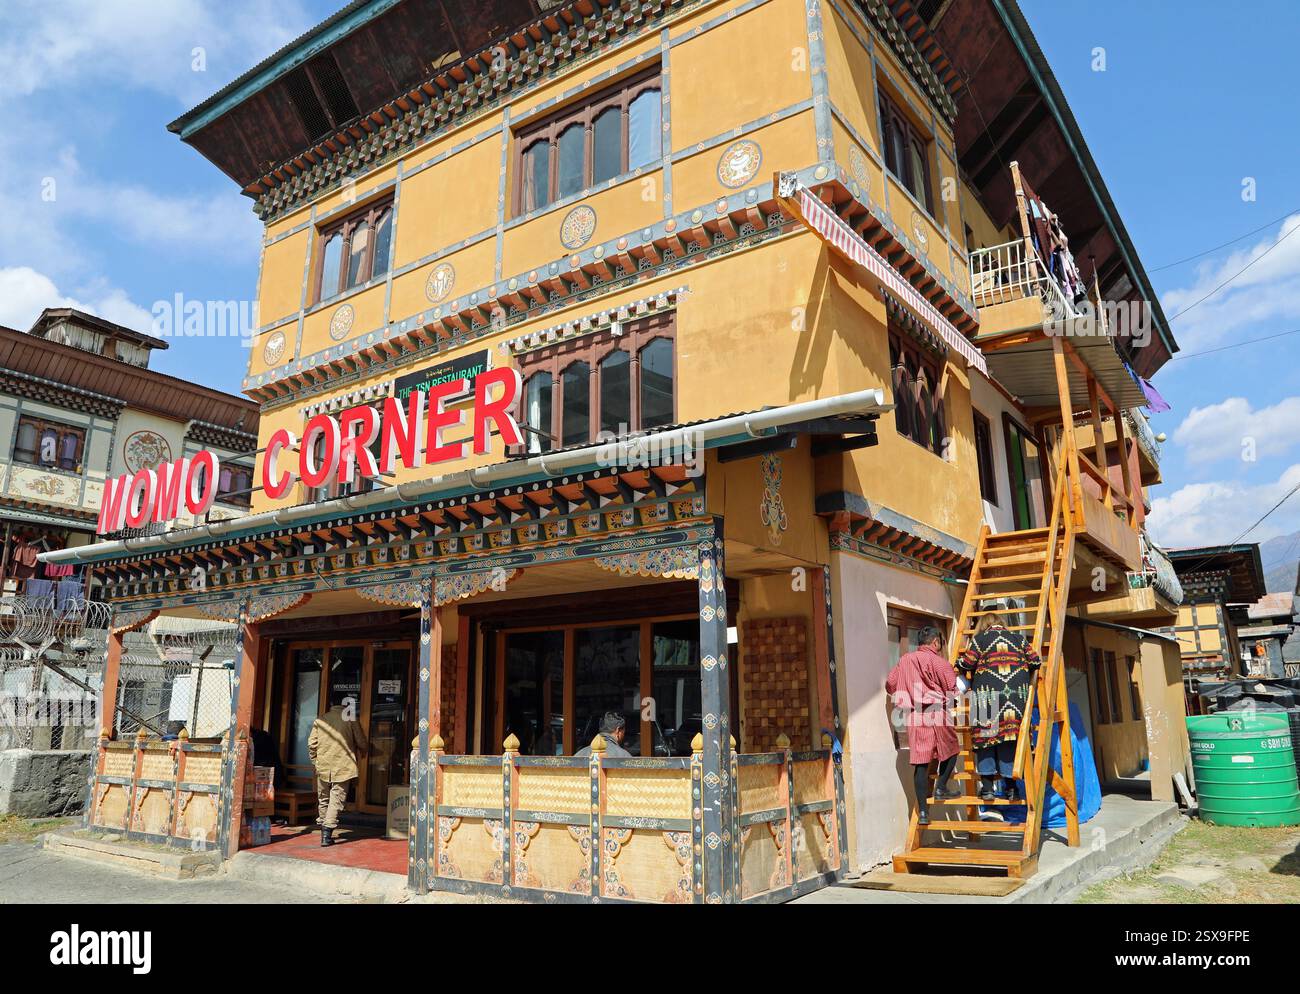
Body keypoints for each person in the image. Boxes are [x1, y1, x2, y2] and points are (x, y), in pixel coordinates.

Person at [959, 614, 1041, 802]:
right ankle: (1012, 790)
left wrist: (958, 664)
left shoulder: (979, 640)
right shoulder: (1019, 639)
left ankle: (987, 790)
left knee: (985, 740)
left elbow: (968, 663)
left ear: (984, 625)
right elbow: (1036, 661)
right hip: (1015, 700)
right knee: (1008, 740)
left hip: (987, 698)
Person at [885, 625, 960, 825]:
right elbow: (952, 689)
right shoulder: (940, 662)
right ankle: (941, 786)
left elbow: (891, 684)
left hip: (915, 716)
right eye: (940, 643)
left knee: (920, 763)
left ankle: (923, 813)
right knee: (952, 750)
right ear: (936, 642)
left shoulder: (904, 661)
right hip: (937, 712)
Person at [308, 702, 364, 847]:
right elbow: (361, 741)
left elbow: (311, 744)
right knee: (336, 798)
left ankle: (323, 829)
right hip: (343, 765)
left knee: (324, 798)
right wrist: (365, 750)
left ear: (331, 705)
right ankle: (327, 834)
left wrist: (315, 761)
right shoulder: (351, 719)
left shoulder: (321, 719)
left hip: (323, 765)